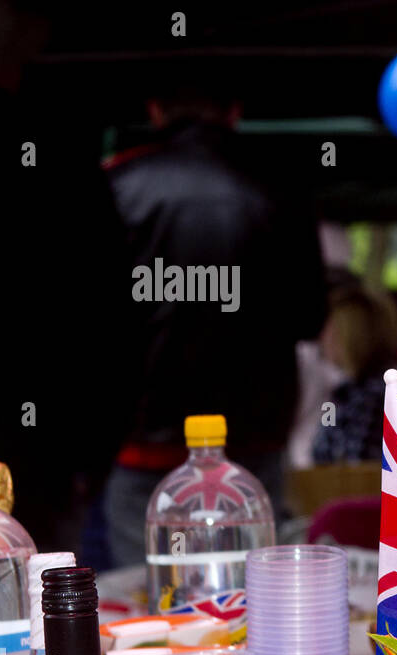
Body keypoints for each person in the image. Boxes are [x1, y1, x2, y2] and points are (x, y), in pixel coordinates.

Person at [102, 84, 327, 566]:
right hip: (251, 437)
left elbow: (85, 318)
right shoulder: (280, 188)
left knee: (144, 607)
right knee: (252, 597)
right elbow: (310, 317)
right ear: (235, 110)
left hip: (142, 436)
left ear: (156, 107)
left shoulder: (116, 183)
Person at [0, 0, 136, 557]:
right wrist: (93, 454)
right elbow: (110, 316)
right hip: (40, 451)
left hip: (42, 444)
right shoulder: (59, 160)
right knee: (35, 613)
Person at [311, 283, 397, 464]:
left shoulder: (370, 397)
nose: (323, 336)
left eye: (330, 327)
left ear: (349, 336)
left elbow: (354, 468)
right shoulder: (349, 392)